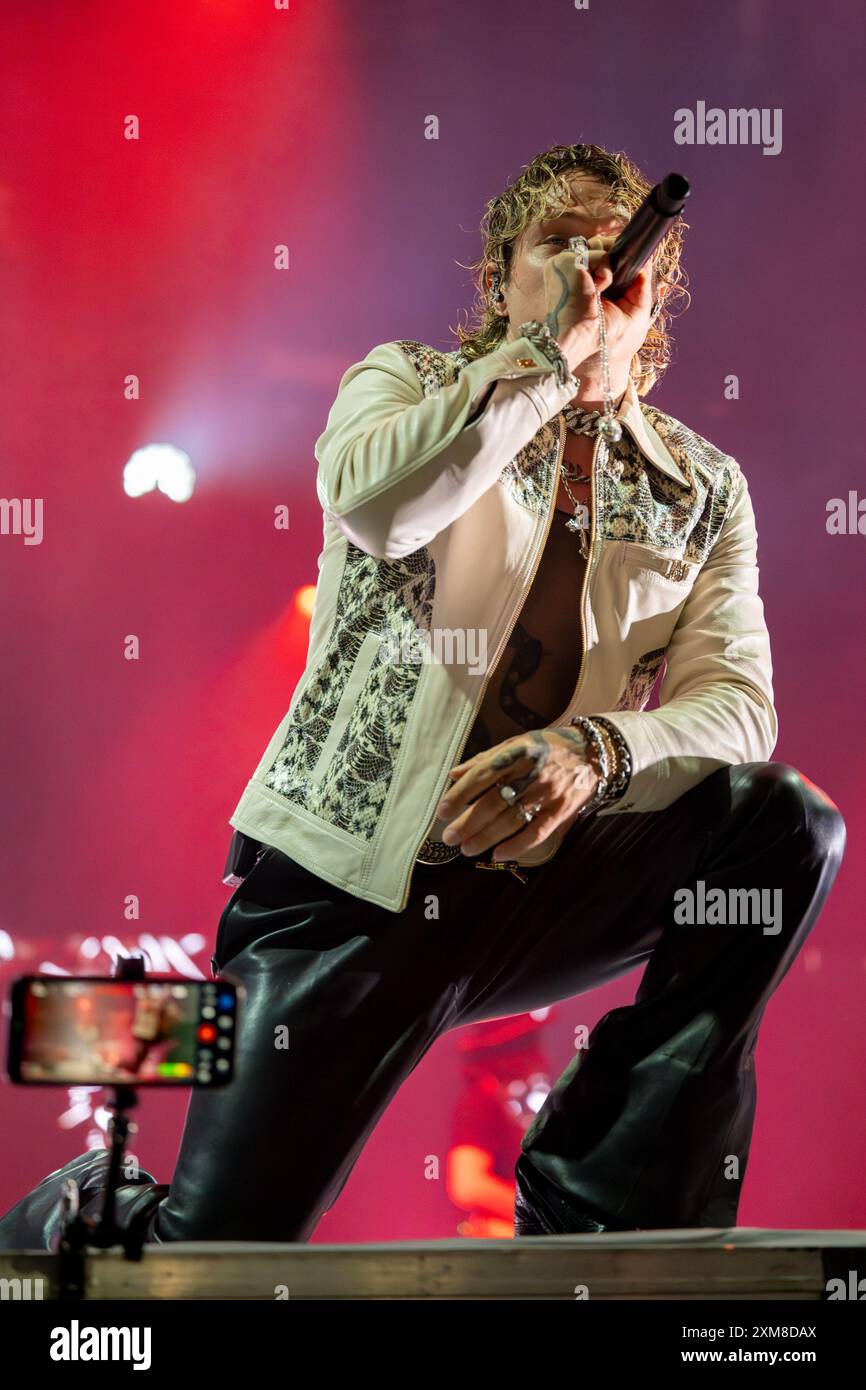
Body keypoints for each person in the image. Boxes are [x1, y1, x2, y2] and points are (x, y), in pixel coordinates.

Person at [0, 142, 845, 1248]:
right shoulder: (403, 385)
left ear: (654, 300)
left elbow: (735, 704)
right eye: (558, 244)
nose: (592, 265)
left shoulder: (699, 484)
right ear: (500, 281)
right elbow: (381, 507)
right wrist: (544, 359)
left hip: (537, 883)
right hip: (352, 884)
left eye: (615, 250)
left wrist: (595, 750)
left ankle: (602, 1200)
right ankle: (70, 1220)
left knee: (782, 828)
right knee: (219, 1252)